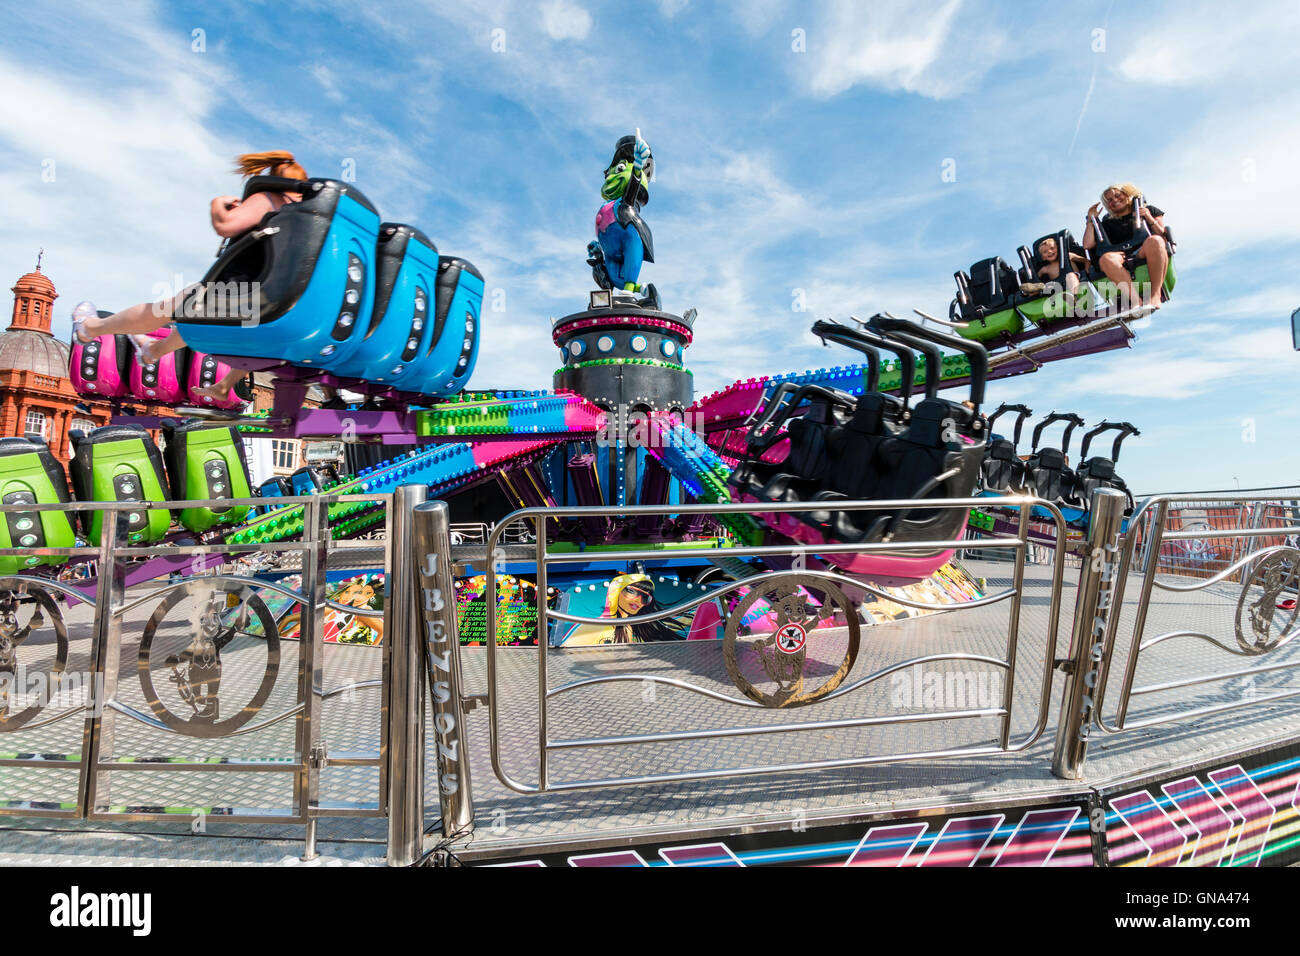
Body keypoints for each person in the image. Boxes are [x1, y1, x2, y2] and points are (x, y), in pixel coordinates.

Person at [70, 150, 309, 403]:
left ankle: (90, 328)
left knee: (175, 307)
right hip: (277, 315)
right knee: (204, 312)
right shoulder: (307, 221)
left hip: (239, 299)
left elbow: (226, 225)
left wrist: (217, 204)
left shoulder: (270, 199)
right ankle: (156, 352)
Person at [1081, 182, 1170, 312]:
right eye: (1110, 200)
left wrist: (1148, 217)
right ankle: (1135, 301)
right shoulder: (1108, 222)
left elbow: (1163, 236)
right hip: (1120, 255)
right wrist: (1090, 220)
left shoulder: (1149, 210)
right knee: (1106, 259)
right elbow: (1087, 244)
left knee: (1155, 241)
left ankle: (1155, 295)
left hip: (1144, 250)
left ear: (1127, 194)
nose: (1115, 200)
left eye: (1118, 195)